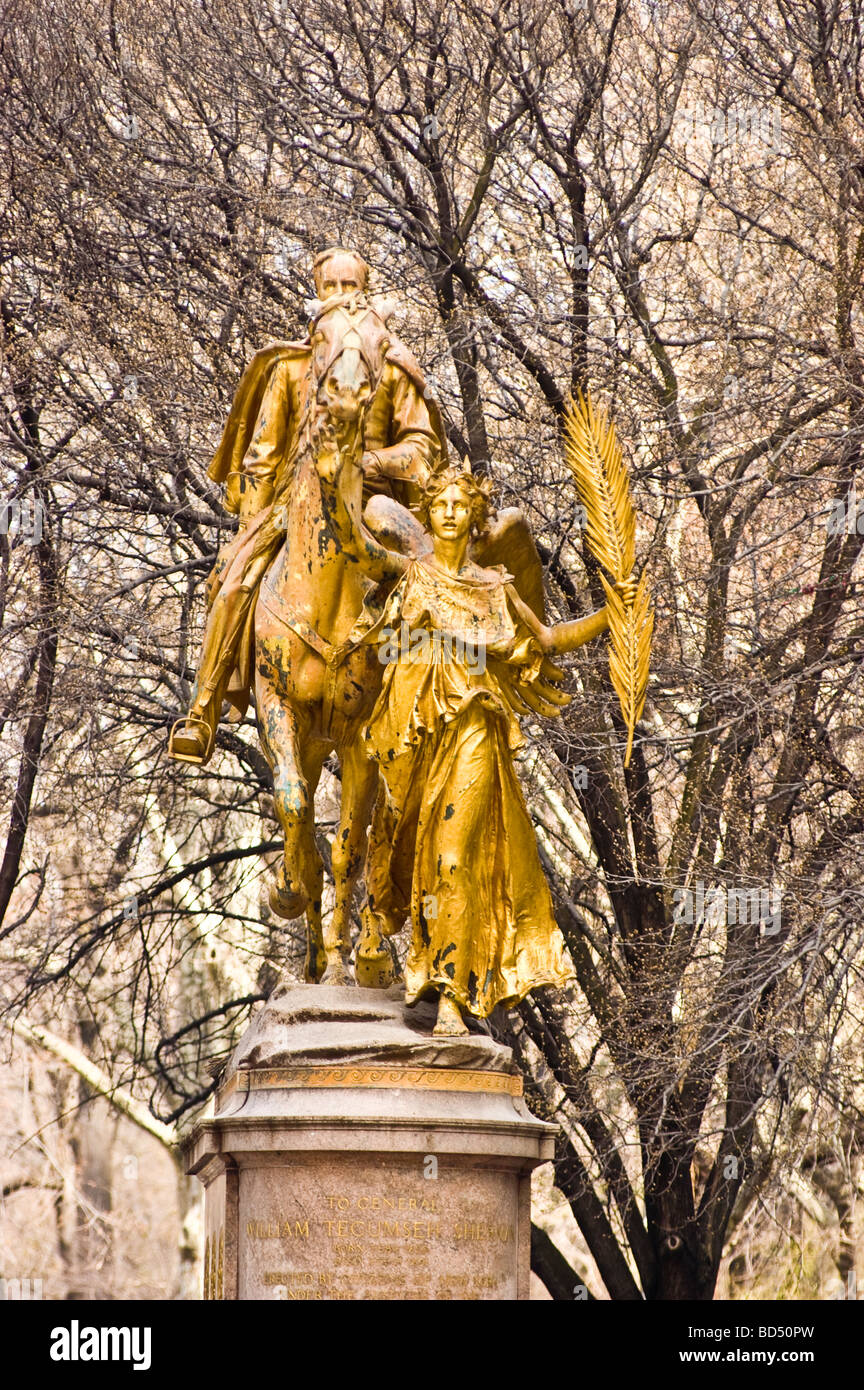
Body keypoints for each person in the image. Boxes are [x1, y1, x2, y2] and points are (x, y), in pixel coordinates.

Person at [338, 465, 634, 1036]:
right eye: (440, 502)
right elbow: (363, 591)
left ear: (475, 515)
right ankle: (425, 979)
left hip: (474, 727)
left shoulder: (496, 586)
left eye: (460, 503)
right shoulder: (411, 578)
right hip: (413, 738)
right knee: (422, 862)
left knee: (455, 856)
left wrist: (612, 614)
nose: (449, 511)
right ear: (428, 512)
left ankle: (452, 995)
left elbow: (548, 640)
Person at [168, 246, 444, 763]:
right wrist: (252, 524)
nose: (341, 296)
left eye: (350, 286)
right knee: (230, 582)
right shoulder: (289, 369)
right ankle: (204, 705)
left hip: (373, 505)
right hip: (295, 509)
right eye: (331, 288)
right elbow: (261, 456)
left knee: (429, 569)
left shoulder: (395, 367)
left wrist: (363, 466)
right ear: (316, 294)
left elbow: (421, 451)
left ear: (367, 290)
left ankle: (447, 687)